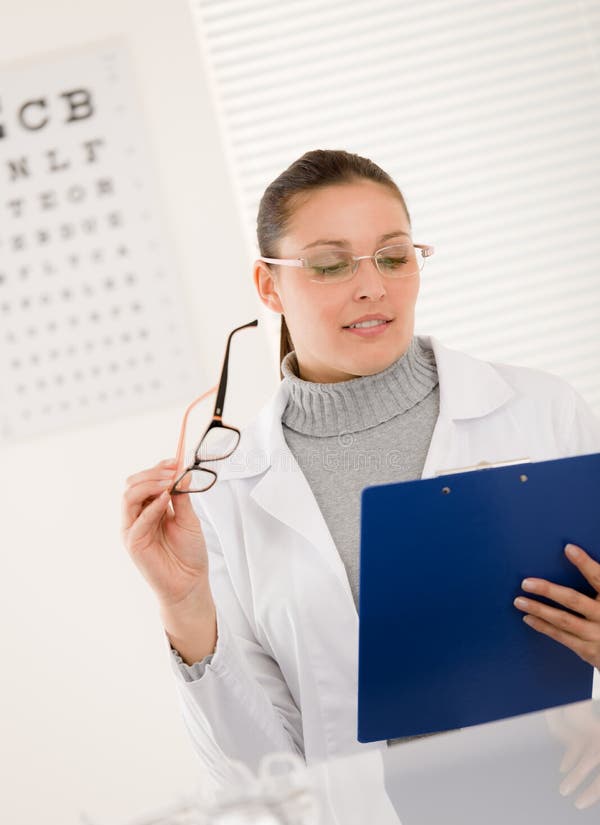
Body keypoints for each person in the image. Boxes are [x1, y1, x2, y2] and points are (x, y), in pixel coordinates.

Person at [121, 149, 600, 786]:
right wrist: (183, 607)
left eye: (394, 256)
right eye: (330, 264)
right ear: (269, 286)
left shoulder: (542, 412)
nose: (373, 285)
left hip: (564, 807)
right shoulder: (223, 490)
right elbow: (258, 778)